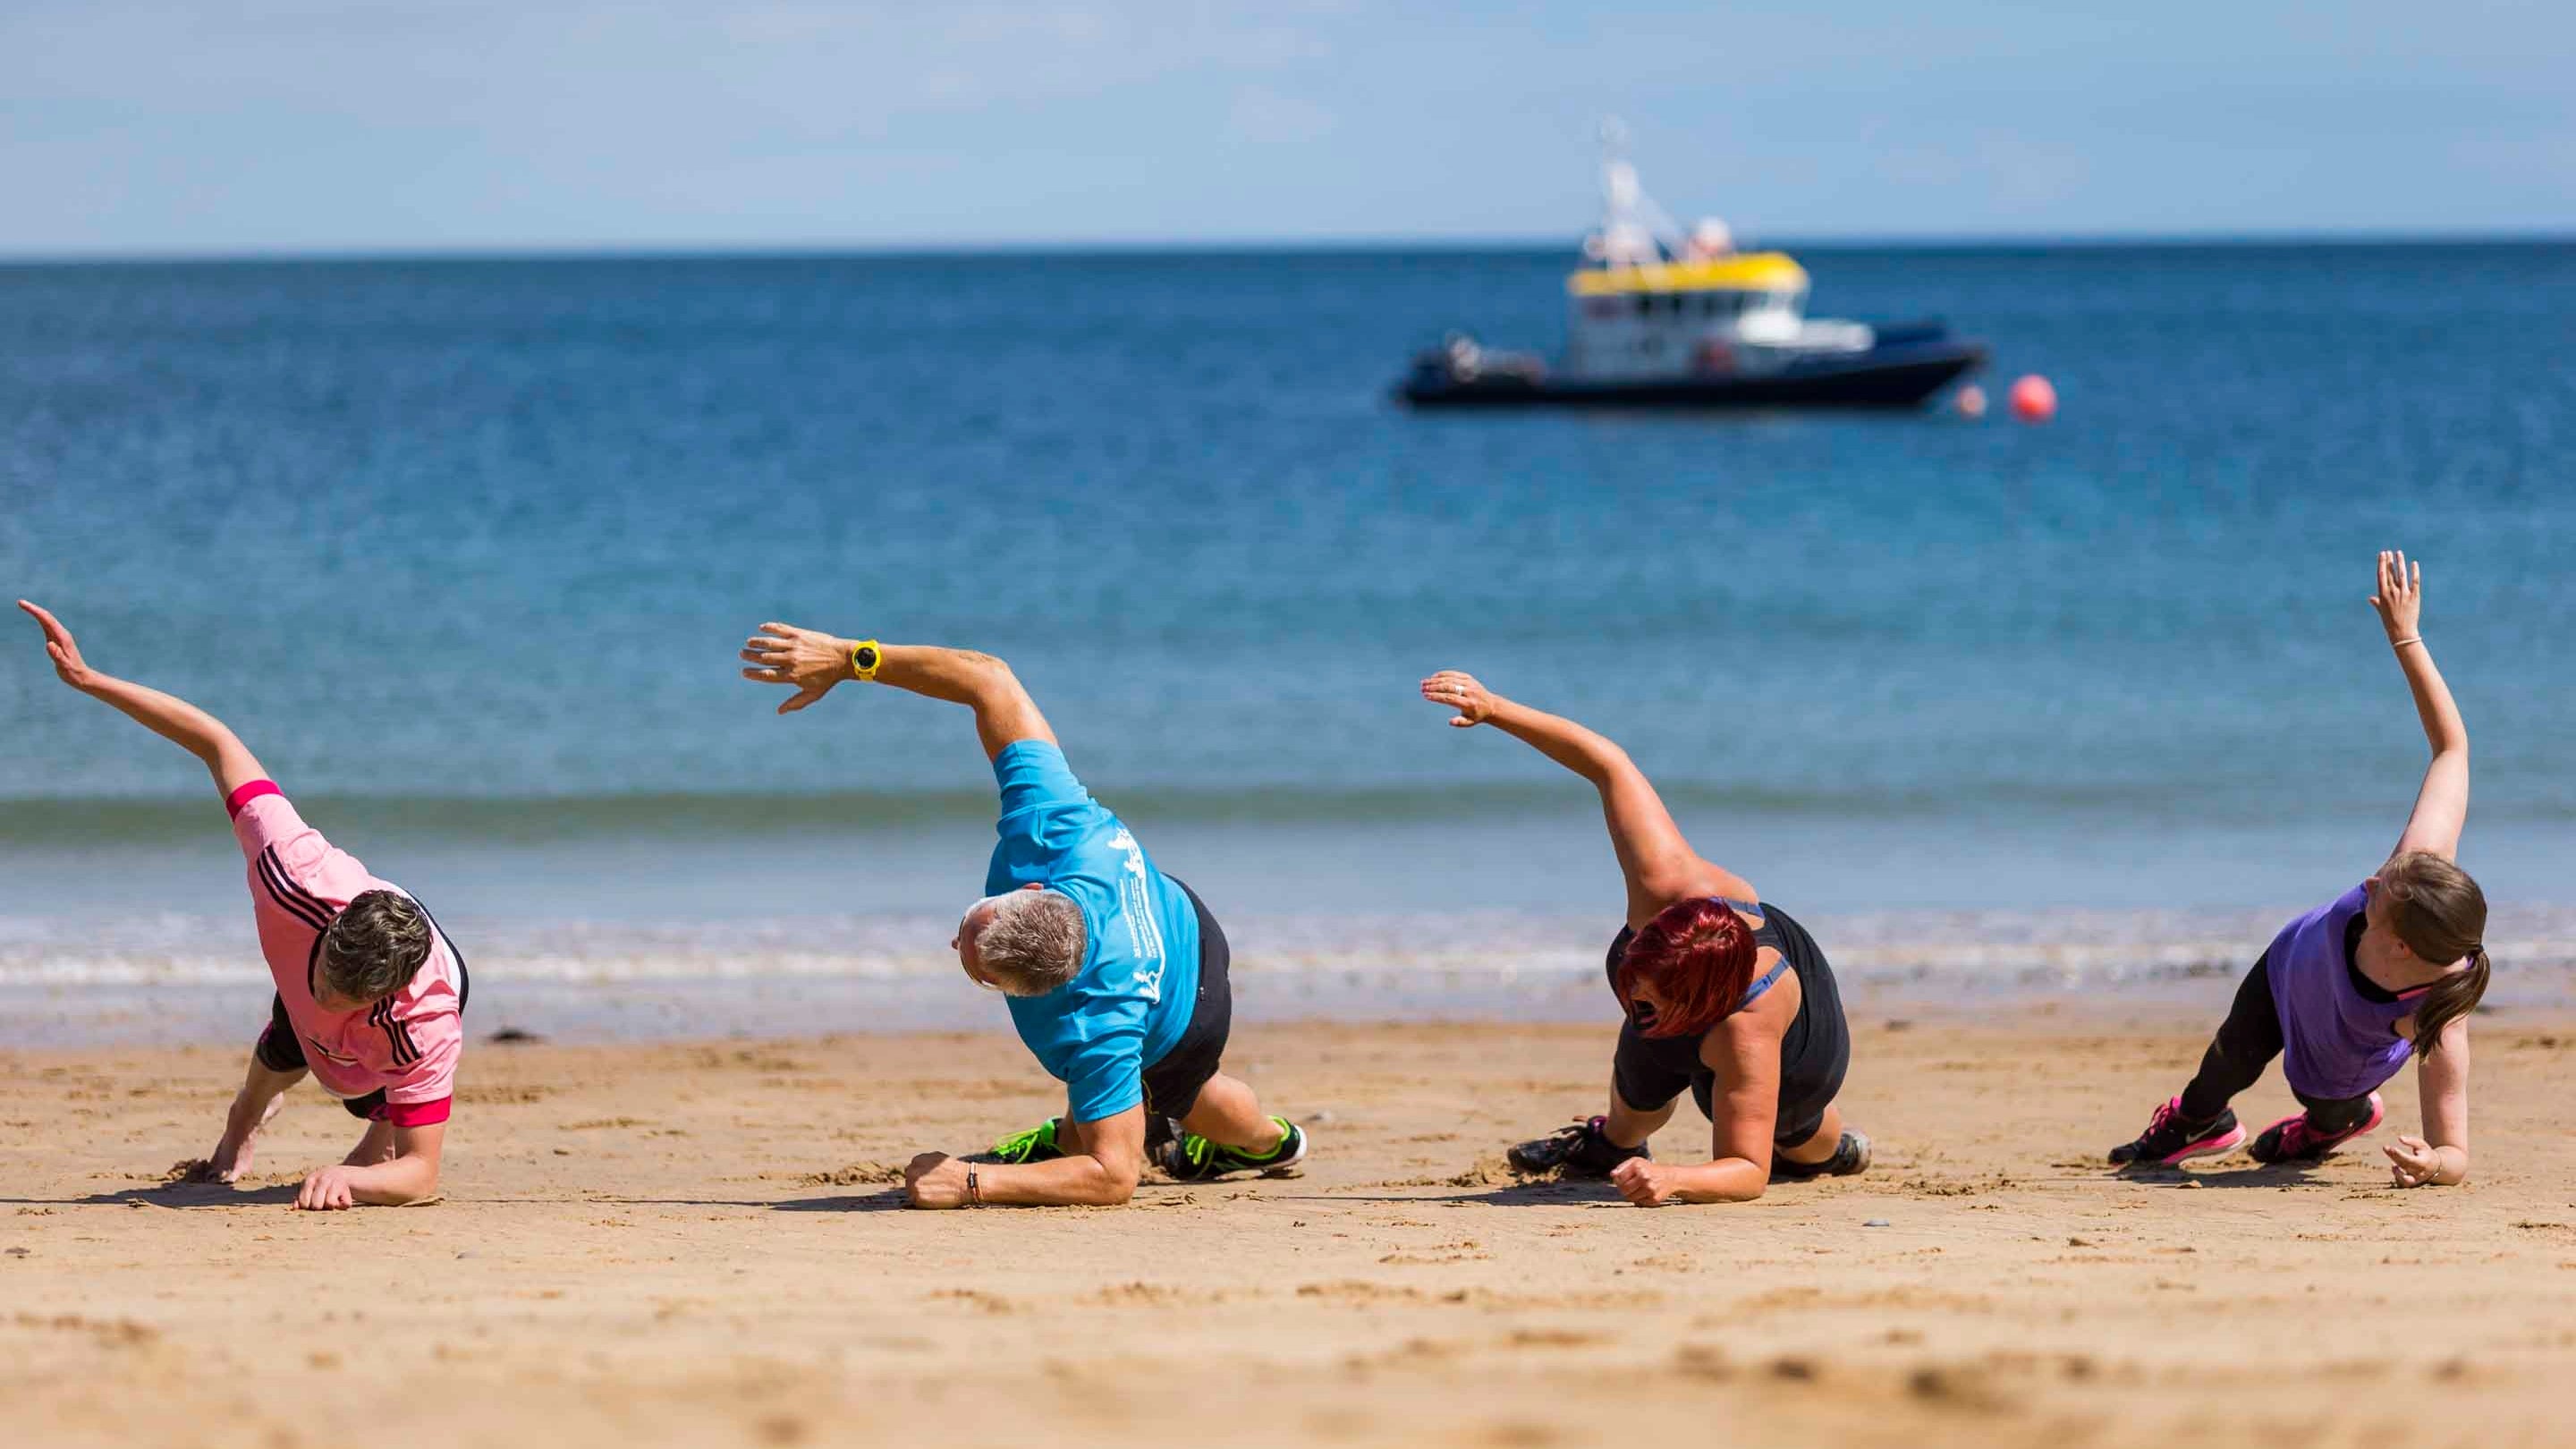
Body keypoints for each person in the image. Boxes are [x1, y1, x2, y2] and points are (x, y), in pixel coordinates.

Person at [738, 623, 1307, 1208]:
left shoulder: (1094, 1024)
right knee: (1096, 1108)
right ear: (1033, 888)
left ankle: (1271, 1143)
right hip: (1178, 914)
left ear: (1031, 991)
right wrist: (849, 658)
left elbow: (1115, 1177)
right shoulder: (1054, 828)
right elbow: (989, 679)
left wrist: (970, 1182)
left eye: (971, 962)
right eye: (968, 931)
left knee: (1184, 1094)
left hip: (1187, 1008)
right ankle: (1080, 1129)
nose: (953, 943)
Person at [17, 602, 464, 1209]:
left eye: (342, 998)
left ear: (382, 997)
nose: (324, 999)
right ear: (332, 930)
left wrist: (350, 1180)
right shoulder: (292, 873)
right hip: (343, 937)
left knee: (377, 1098)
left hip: (403, 1005)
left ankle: (374, 1137)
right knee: (286, 1041)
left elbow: (423, 1176)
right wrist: (89, 679)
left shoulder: (422, 1022)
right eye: (326, 979)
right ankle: (239, 1129)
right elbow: (216, 741)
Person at [1417, 669, 1868, 1207]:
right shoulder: (1661, 883)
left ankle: (1836, 1149)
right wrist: (1495, 709)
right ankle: (1611, 1142)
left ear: (1696, 1000)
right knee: (1639, 1087)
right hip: (1701, 982)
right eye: (1634, 977)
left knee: (1790, 1132)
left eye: (1645, 994)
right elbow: (1607, 763)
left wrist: (1675, 1178)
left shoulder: (1747, 1028)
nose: (1629, 994)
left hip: (1791, 1034)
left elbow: (1748, 1171)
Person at [2110, 552, 2487, 1186]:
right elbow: (2452, 748)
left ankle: (2336, 1123)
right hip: (2291, 963)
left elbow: (2455, 1149)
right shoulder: (2420, 870)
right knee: (2228, 1056)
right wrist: (2406, 637)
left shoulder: (2433, 1014)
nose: (2371, 882)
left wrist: (2434, 1165)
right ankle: (2199, 1122)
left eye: (2381, 894)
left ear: (2401, 943)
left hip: (2336, 1060)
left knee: (2325, 1101)